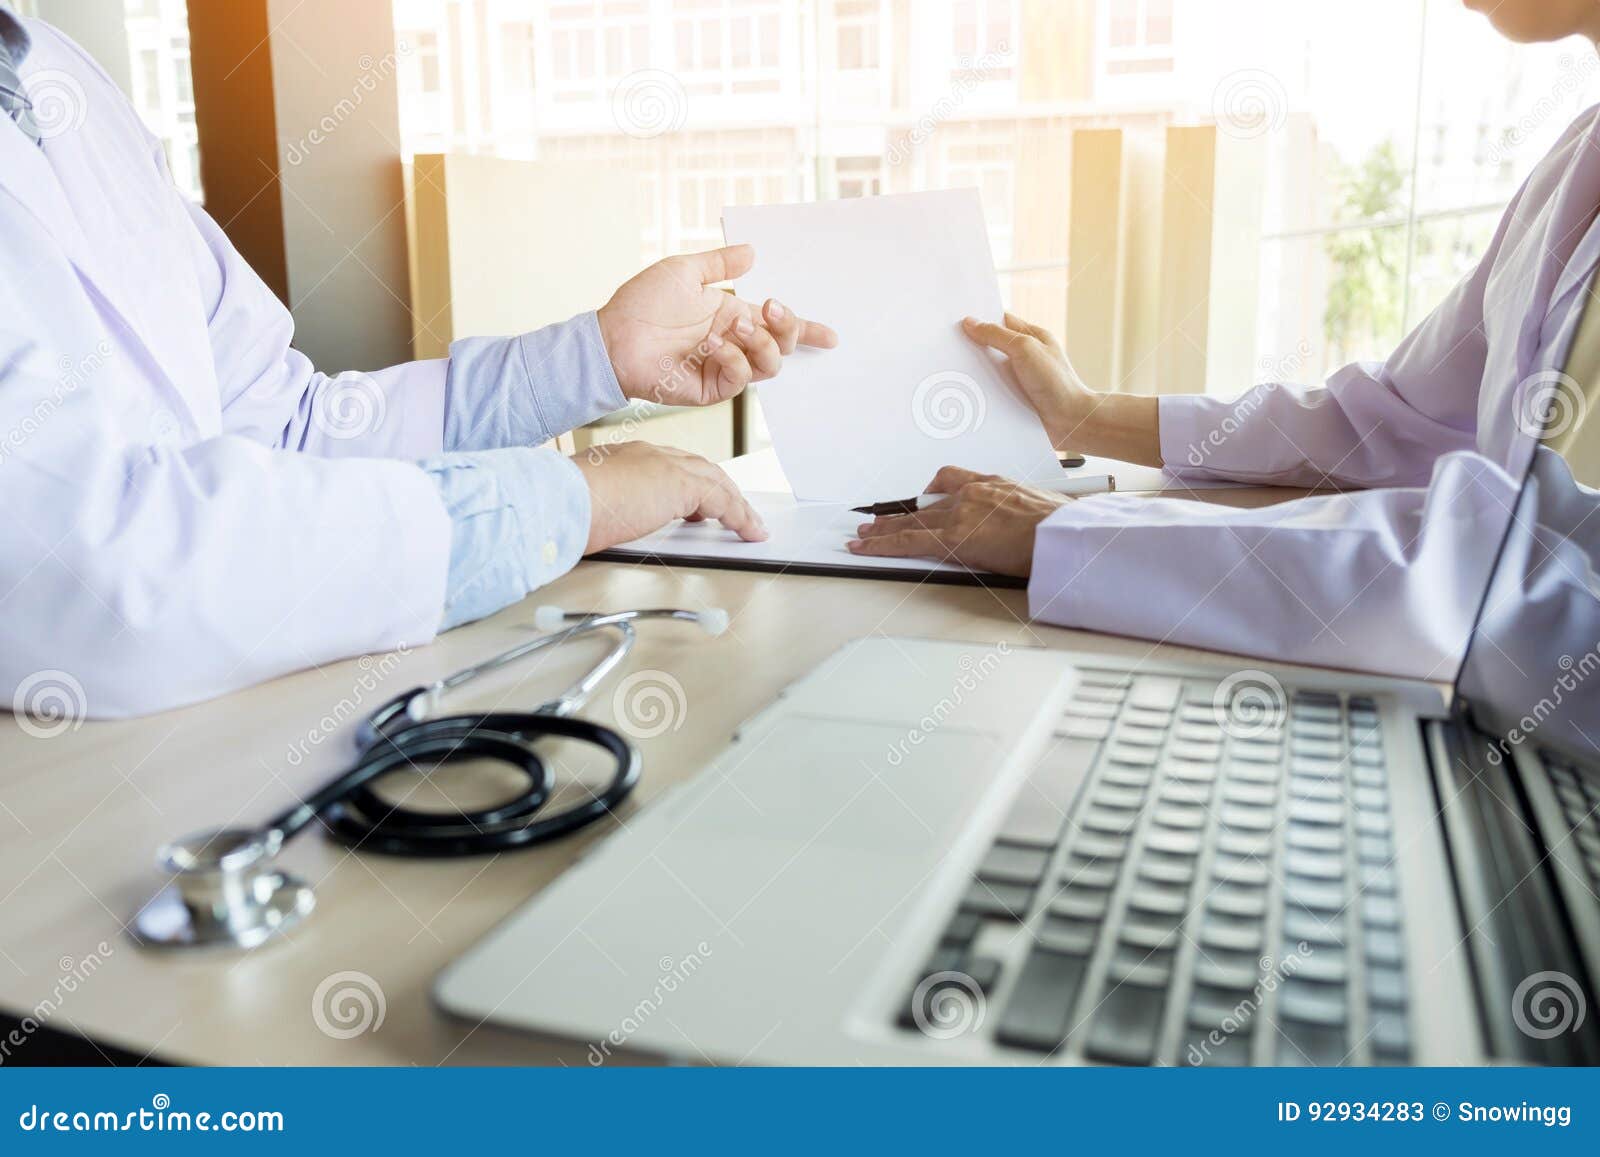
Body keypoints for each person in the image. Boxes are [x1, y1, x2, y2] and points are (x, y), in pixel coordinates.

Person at [0, 8, 835, 717]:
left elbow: (284, 426)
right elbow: (91, 575)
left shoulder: (50, 71)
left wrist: (595, 358)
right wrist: (569, 500)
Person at [849, 0, 1600, 716]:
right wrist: (1084, 414)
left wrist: (1078, 535)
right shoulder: (1576, 160)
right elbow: (1385, 424)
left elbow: (1493, 592)